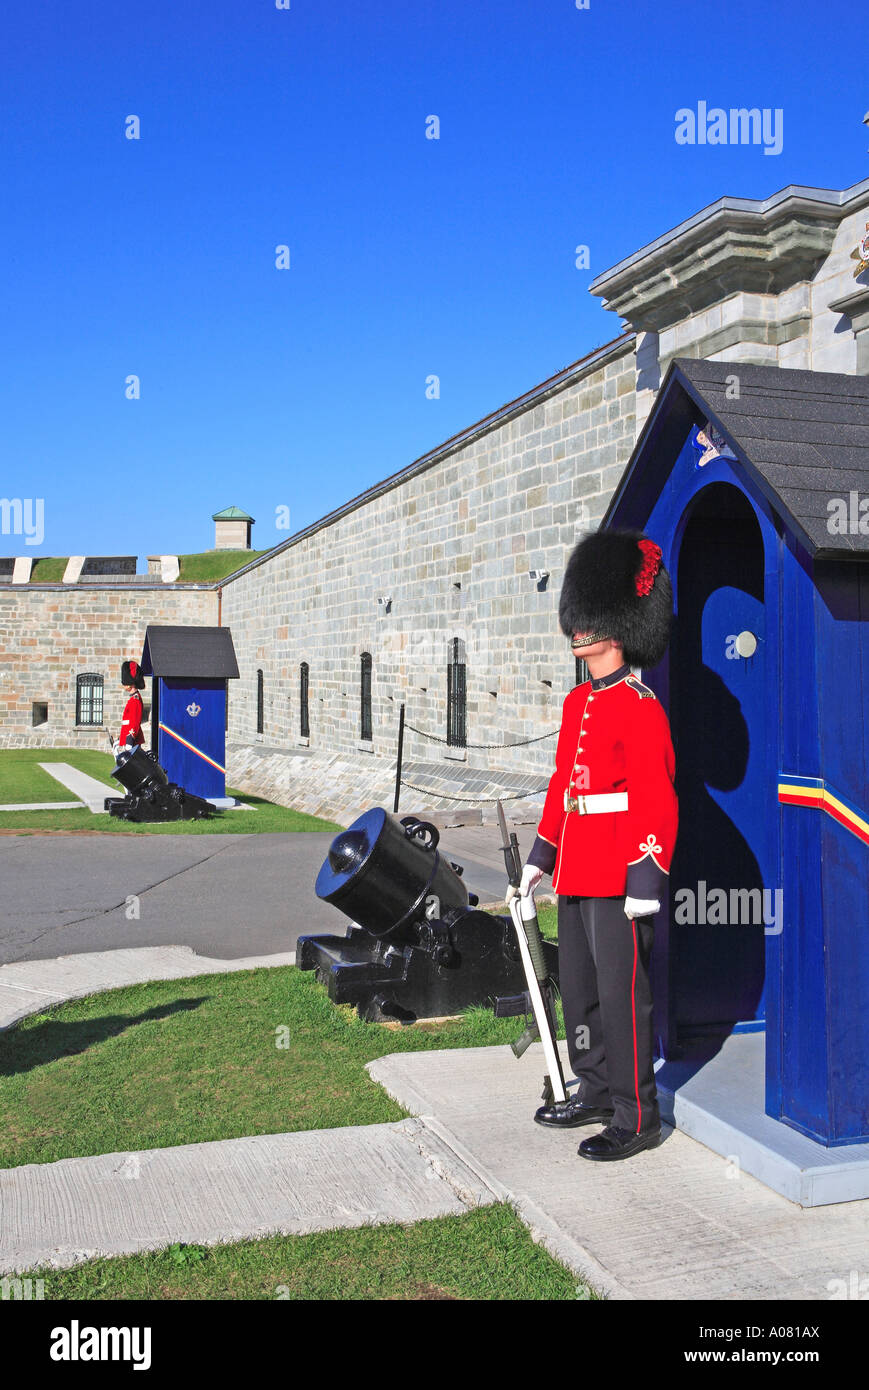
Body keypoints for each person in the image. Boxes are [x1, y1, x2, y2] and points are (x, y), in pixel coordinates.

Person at [514, 529, 678, 1161]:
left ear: (619, 626)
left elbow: (656, 799)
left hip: (620, 869)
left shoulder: (641, 707)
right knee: (580, 989)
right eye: (577, 621)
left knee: (621, 995)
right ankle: (598, 1088)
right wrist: (540, 858)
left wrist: (645, 879)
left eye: (589, 622)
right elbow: (564, 786)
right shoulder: (579, 701)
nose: (578, 633)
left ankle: (638, 1115)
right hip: (579, 866)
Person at [114, 659, 146, 757]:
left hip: (132, 740)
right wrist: (120, 739)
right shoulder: (133, 699)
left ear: (130, 683)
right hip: (128, 739)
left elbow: (134, 722)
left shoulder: (135, 700)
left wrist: (129, 740)